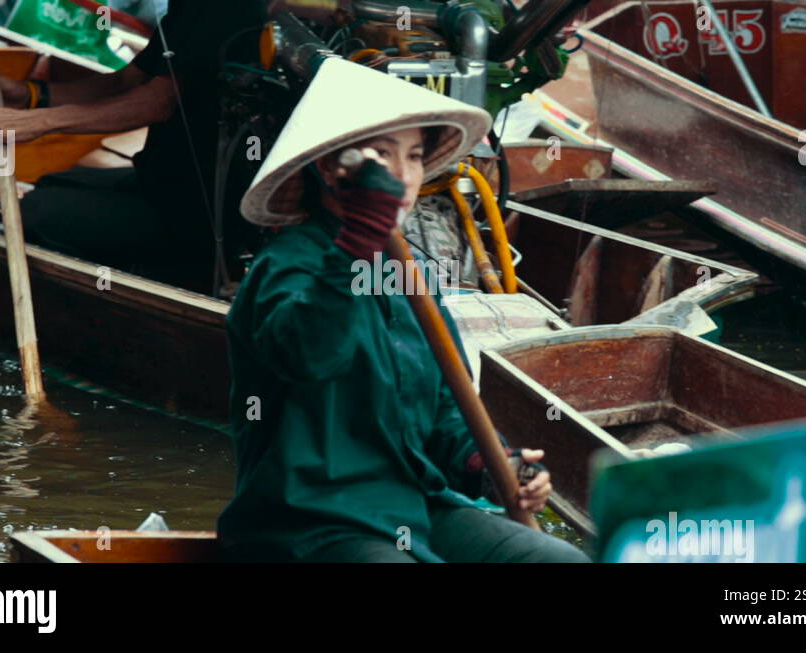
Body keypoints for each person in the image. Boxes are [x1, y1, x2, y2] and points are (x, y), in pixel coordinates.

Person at [217, 57, 589, 563]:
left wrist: (495, 465)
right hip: (310, 524)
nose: (405, 175)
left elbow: (443, 412)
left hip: (415, 507)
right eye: (383, 157)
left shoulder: (407, 278)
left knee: (558, 560)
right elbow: (310, 355)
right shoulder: (284, 268)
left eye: (414, 156)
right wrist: (358, 242)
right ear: (331, 169)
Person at [0, 1, 267, 289]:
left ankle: (164, 280)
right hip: (160, 180)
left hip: (197, 213)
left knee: (34, 214)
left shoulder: (223, 5)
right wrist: (33, 94)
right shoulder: (185, 8)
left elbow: (157, 103)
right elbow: (127, 81)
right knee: (49, 182)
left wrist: (43, 121)